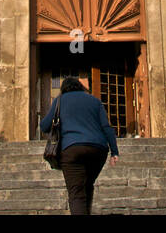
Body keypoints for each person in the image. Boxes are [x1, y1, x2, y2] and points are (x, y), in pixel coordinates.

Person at [39, 76, 119, 215]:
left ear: (63, 89)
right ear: (80, 87)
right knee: (87, 185)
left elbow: (44, 126)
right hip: (98, 150)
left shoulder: (60, 101)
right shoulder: (95, 100)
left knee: (76, 192)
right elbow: (106, 127)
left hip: (71, 149)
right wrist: (114, 152)